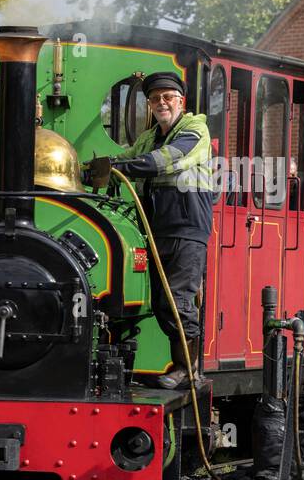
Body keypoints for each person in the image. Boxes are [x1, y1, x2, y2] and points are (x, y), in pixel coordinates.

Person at [84, 72, 216, 390]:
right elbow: (126, 162)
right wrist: (86, 172)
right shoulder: (148, 137)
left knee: (178, 301)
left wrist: (119, 167)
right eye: (155, 99)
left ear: (181, 101)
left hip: (187, 228)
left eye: (167, 97)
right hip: (156, 230)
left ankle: (189, 369)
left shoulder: (194, 130)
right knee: (160, 302)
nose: (161, 103)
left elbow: (163, 162)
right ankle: (182, 366)